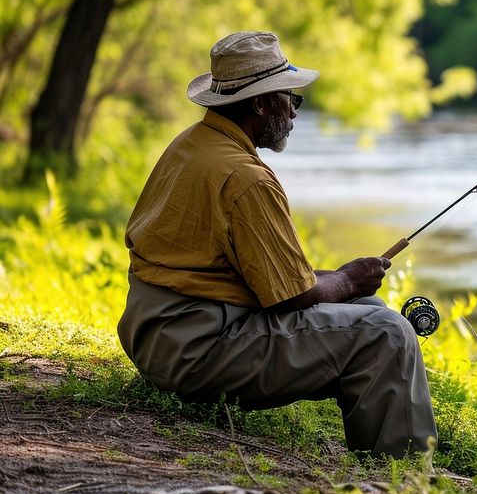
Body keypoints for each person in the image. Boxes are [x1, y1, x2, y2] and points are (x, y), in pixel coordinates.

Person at [118, 31, 436, 458]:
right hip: (195, 351)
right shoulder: (247, 178)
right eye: (292, 100)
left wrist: (342, 283)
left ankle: (381, 448)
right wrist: (346, 280)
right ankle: (406, 476)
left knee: (370, 312)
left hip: (154, 334)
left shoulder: (192, 145)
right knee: (389, 334)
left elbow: (259, 278)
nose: (295, 113)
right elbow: (293, 297)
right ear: (261, 104)